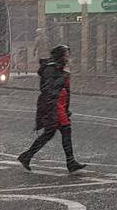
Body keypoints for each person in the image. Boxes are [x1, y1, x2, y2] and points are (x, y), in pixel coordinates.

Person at [18, 44, 86, 173]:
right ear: (60, 56)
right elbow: (48, 89)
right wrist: (64, 77)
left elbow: (65, 91)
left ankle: (69, 161)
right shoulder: (51, 69)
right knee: (57, 132)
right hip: (53, 106)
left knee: (57, 133)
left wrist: (66, 108)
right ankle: (27, 156)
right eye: (66, 55)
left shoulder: (60, 68)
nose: (68, 58)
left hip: (59, 107)